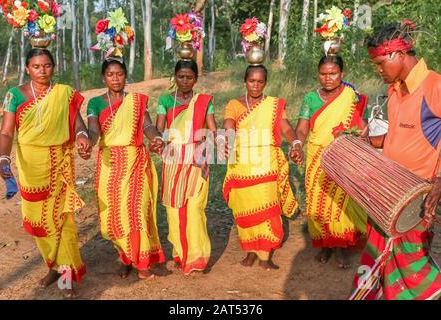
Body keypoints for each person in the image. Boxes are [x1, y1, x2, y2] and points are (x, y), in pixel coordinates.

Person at [349, 21, 441, 300]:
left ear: (397, 55)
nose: (377, 70)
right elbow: (402, 135)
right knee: (384, 254)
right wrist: (368, 142)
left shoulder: (434, 86)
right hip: (390, 190)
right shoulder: (395, 91)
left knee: (410, 258)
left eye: (379, 63)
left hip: (417, 194)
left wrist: (439, 180)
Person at [0, 48, 90, 298]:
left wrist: (82, 136)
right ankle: (53, 265)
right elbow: (7, 132)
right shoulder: (14, 95)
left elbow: (77, 123)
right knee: (37, 221)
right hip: (30, 166)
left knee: (62, 220)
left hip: (60, 164)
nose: (42, 70)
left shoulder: (64, 94)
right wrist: (3, 158)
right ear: (28, 68)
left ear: (53, 66)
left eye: (47, 65)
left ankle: (67, 275)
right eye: (36, 66)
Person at [87, 58, 165, 280]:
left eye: (119, 74)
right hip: (110, 165)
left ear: (125, 76)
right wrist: (87, 142)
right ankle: (124, 257)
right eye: (110, 74)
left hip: (135, 162)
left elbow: (148, 125)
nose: (115, 78)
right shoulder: (96, 103)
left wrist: (157, 138)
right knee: (114, 216)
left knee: (136, 212)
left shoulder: (137, 101)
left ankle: (141, 262)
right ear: (104, 78)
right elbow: (93, 131)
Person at [222, 64, 303, 269]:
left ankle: (265, 256)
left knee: (268, 208)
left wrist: (295, 143)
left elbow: (286, 128)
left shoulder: (274, 105)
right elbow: (228, 125)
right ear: (245, 81)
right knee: (245, 208)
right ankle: (250, 251)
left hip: (267, 163)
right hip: (242, 163)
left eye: (260, 81)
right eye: (251, 81)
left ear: (265, 83)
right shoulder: (234, 104)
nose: (255, 85)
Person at [293, 55, 369, 269]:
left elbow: (360, 124)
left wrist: (364, 133)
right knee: (318, 201)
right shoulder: (310, 98)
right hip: (318, 156)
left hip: (343, 154)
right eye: (323, 74)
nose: (327, 78)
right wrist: (297, 144)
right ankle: (326, 244)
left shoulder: (351, 96)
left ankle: (341, 247)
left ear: (341, 74)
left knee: (341, 201)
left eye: (333, 73)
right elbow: (301, 128)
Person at [156, 60, 217, 275]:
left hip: (196, 159)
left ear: (196, 79)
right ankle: (180, 254)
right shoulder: (165, 100)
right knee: (174, 211)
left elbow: (212, 129)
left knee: (194, 209)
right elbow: (159, 130)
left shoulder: (203, 102)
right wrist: (157, 142)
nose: (184, 81)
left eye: (189, 77)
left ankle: (197, 257)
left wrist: (214, 145)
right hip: (173, 160)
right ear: (174, 77)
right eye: (180, 77)